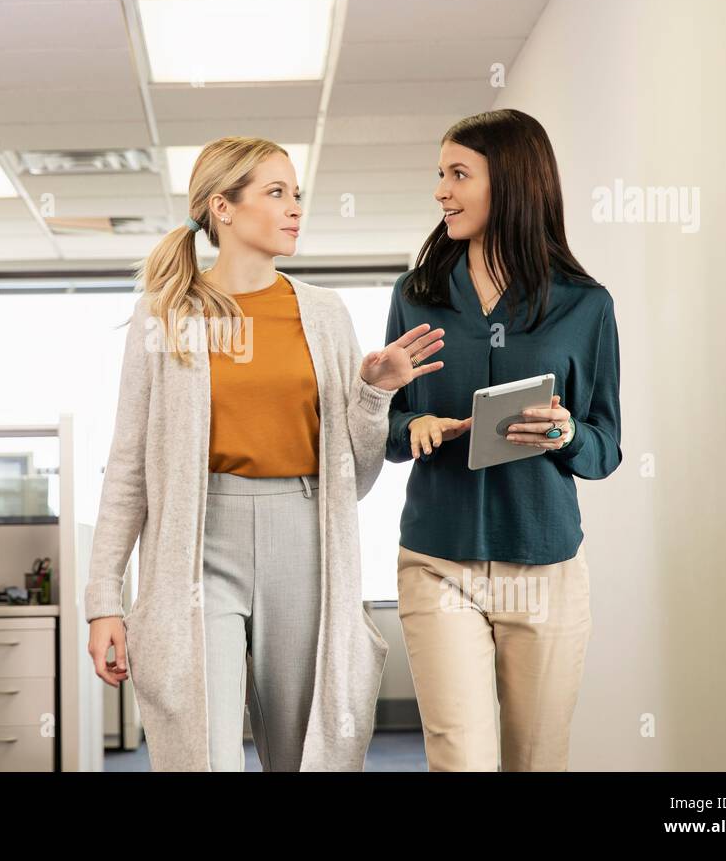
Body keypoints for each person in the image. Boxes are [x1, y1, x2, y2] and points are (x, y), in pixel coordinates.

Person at [84, 136, 446, 771]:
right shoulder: (165, 314)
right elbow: (128, 469)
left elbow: (354, 479)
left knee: (303, 752)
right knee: (203, 753)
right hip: (196, 547)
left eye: (296, 194)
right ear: (222, 207)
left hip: (303, 537)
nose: (295, 208)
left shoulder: (325, 315)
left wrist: (374, 393)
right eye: (276, 193)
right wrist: (103, 602)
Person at [387, 108, 622, 771]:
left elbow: (606, 445)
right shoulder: (417, 295)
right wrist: (411, 425)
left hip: (546, 566)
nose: (441, 191)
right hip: (438, 563)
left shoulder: (586, 305)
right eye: (440, 174)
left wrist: (570, 433)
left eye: (458, 174)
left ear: (512, 184)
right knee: (461, 759)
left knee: (536, 759)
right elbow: (387, 426)